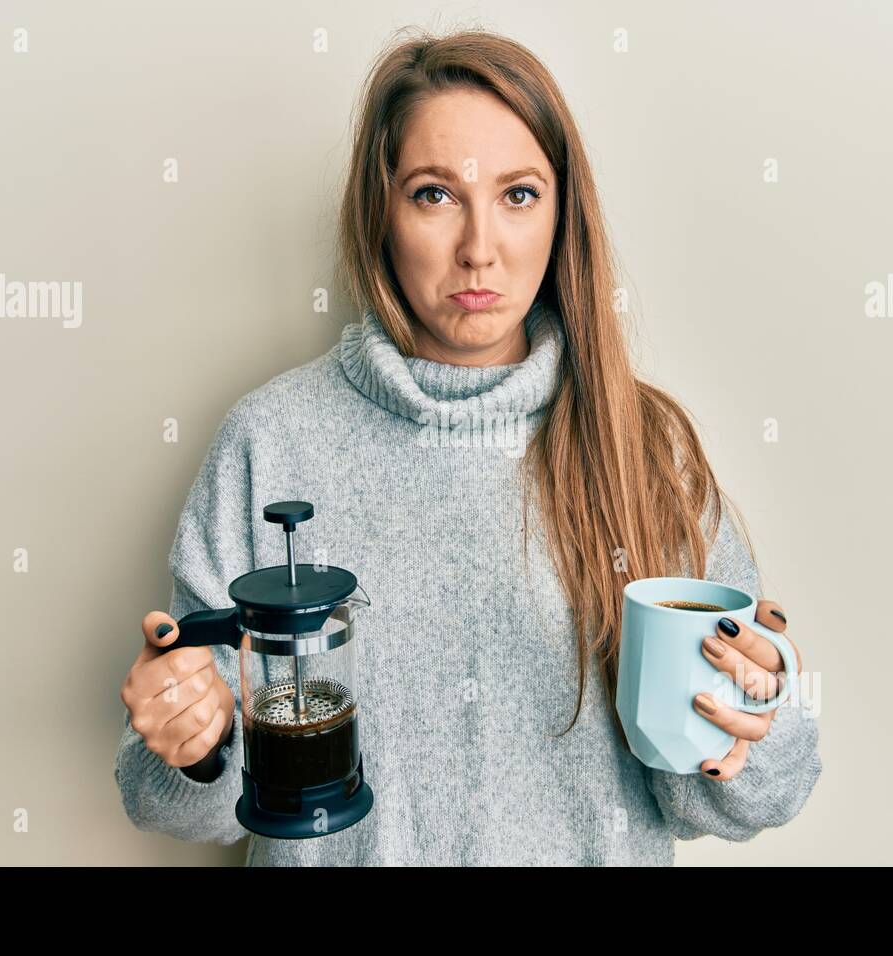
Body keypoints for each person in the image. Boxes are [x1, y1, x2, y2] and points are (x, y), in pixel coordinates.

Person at [115, 27, 821, 865]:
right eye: (434, 194)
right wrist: (189, 744)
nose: (479, 247)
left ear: (563, 215)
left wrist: (757, 717)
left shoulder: (642, 447)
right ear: (381, 212)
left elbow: (754, 796)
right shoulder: (270, 441)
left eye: (519, 194)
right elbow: (184, 806)